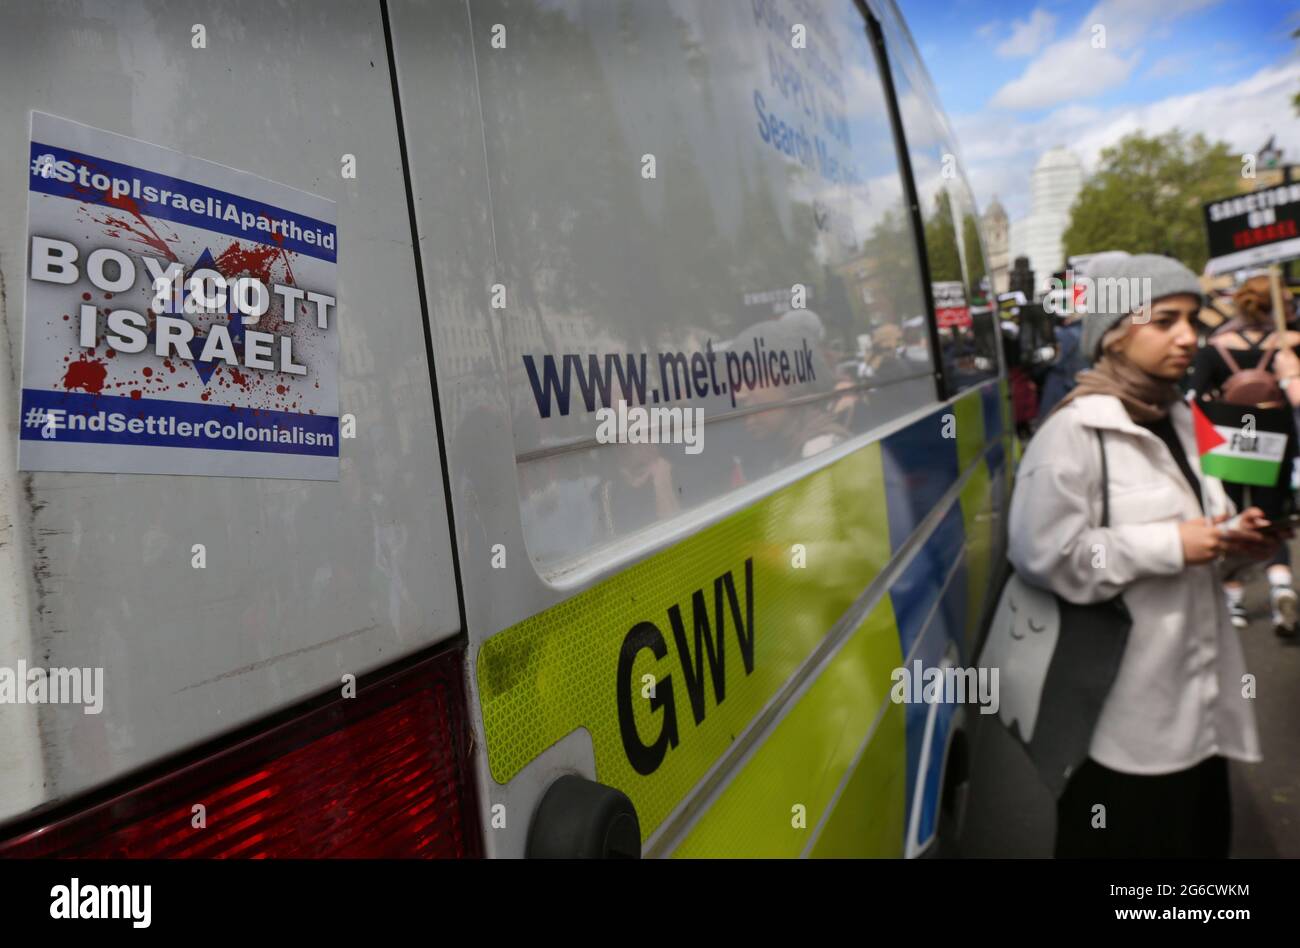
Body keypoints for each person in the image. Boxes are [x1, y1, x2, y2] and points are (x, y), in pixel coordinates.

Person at [1009, 253, 1270, 858]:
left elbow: (1208, 536)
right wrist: (1170, 545)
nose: (1188, 336)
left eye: (1192, 319)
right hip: (1120, 724)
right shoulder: (1071, 434)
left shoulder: (1184, 420)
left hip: (1201, 709)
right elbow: (1042, 553)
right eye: (1165, 320)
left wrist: (1239, 543)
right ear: (1116, 334)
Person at [1188, 272, 1300, 636]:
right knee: (1272, 517)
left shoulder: (1215, 347)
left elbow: (1197, 397)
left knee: (1235, 519)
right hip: (1278, 439)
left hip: (1229, 441)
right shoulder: (1291, 344)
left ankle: (1233, 602)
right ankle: (1281, 586)